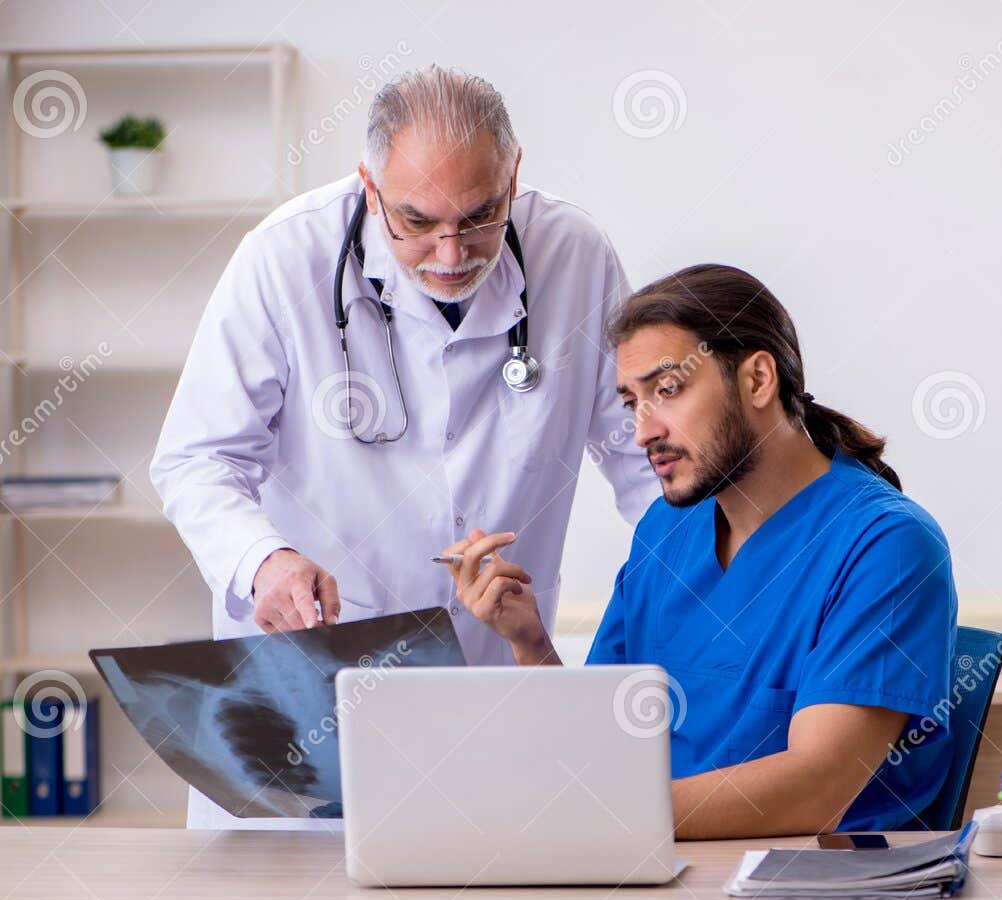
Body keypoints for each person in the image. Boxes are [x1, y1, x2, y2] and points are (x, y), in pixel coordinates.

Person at [151, 65, 655, 830]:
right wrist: (262, 561)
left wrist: (722, 593)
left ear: (514, 176)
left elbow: (644, 460)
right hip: (307, 692)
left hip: (488, 689)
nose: (451, 252)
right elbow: (197, 458)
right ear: (369, 185)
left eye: (481, 216)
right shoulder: (286, 257)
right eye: (417, 222)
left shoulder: (575, 256)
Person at [444, 264, 957, 838]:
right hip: (662, 872)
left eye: (667, 390)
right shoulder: (667, 530)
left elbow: (816, 791)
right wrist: (530, 643)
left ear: (758, 380)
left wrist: (585, 817)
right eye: (630, 402)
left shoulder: (885, 544)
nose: (643, 432)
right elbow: (607, 747)